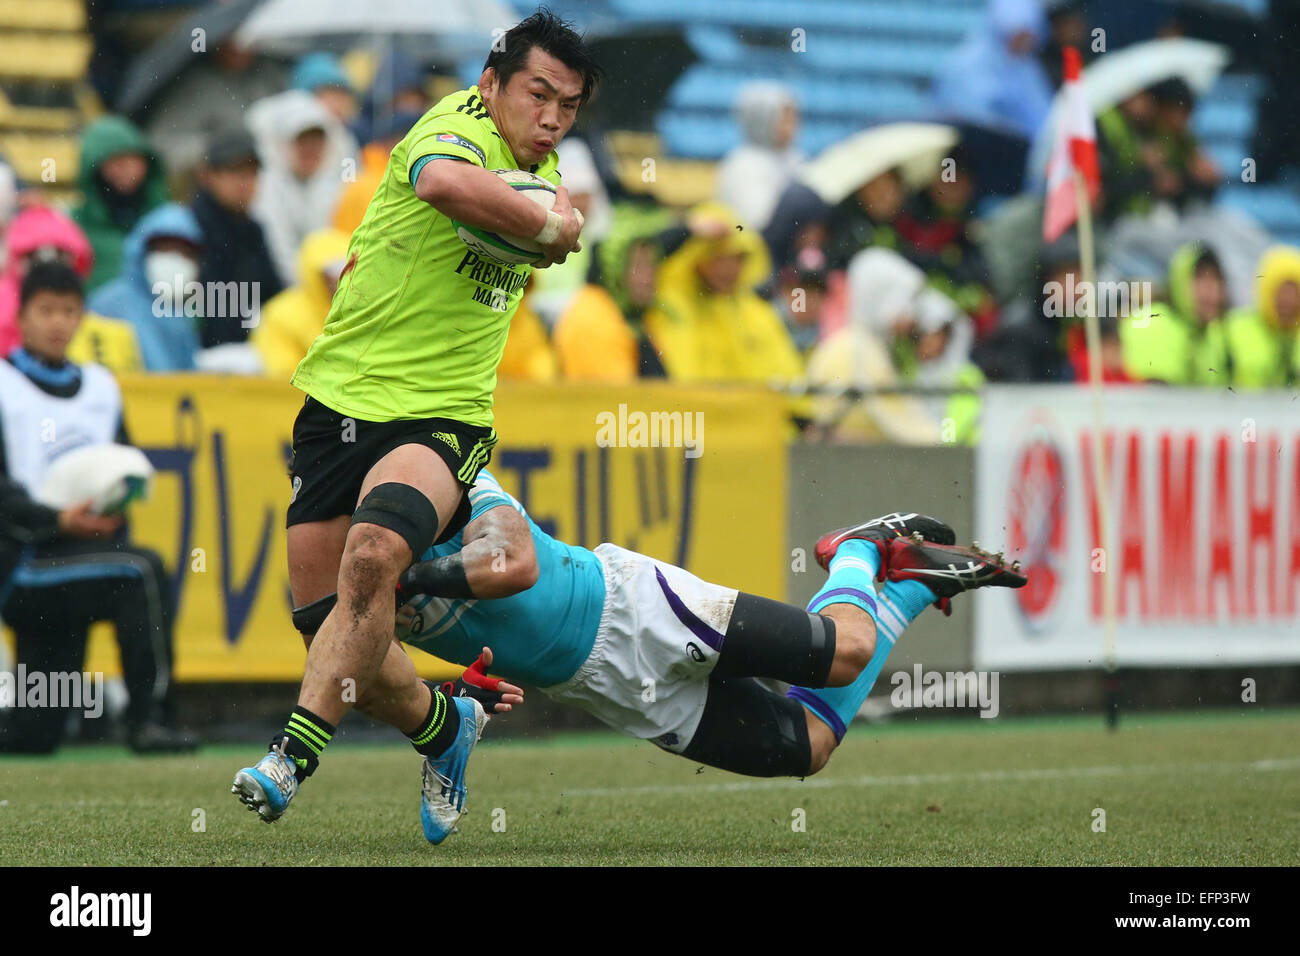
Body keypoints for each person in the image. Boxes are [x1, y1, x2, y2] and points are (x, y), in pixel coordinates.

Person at [230, 9, 599, 833]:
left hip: (443, 415)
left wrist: (555, 218)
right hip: (339, 400)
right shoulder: (453, 127)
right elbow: (441, 184)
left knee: (373, 559)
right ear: (491, 85)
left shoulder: (544, 161)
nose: (551, 118)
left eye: (568, 107)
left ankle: (290, 757)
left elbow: (567, 214)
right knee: (329, 631)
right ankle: (447, 724)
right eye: (538, 95)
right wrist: (546, 226)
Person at [282, 470, 1024, 841]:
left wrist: (404, 574)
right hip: (603, 685)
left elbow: (511, 562)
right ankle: (910, 587)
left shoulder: (445, 474)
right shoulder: (340, 566)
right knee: (808, 745)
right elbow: (356, 663)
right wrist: (444, 712)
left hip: (632, 608)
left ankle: (859, 552)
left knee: (845, 652)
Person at [0, 262, 194, 754]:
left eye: (68, 310)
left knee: (31, 738)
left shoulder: (102, 389)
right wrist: (57, 520)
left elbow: (124, 467)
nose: (57, 322)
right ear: (21, 317)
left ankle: (145, 717)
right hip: (24, 567)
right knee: (143, 570)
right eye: (45, 310)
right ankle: (150, 720)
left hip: (88, 558)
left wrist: (113, 507)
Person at [644, 201, 804, 386]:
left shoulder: (757, 314)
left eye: (738, 259)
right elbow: (641, 254)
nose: (730, 269)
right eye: (719, 258)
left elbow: (789, 378)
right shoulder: (669, 306)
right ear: (694, 257)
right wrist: (687, 231)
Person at [247, 90, 355, 288]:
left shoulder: (340, 181)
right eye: (302, 140)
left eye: (317, 139)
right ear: (282, 144)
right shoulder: (267, 188)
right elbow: (280, 253)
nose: (311, 148)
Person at [190, 128, 284, 347]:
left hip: (254, 354)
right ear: (208, 176)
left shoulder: (254, 230)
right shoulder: (190, 230)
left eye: (252, 172)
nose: (245, 182)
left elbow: (273, 297)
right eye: (234, 172)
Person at [87, 203, 204, 372]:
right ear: (141, 251)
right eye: (165, 250)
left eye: (183, 253)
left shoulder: (181, 314)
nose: (173, 260)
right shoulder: (107, 305)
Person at [72, 116, 169, 292]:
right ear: (94, 169)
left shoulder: (168, 222)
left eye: (135, 160)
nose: (128, 170)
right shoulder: (74, 226)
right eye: (117, 162)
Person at [1120, 243, 1230, 385]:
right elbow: (1157, 402)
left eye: (1216, 279)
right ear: (1179, 282)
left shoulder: (1216, 336)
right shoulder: (1152, 324)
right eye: (1199, 278)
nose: (1210, 289)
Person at [249, 228, 351, 382]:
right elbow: (282, 375)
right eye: (333, 270)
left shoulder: (365, 311)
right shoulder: (282, 314)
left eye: (347, 269)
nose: (340, 278)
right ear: (313, 273)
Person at [715, 81, 804, 232]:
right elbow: (757, 222)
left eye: (793, 117)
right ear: (762, 119)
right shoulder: (744, 164)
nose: (793, 125)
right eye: (785, 118)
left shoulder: (795, 158)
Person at [1223, 246, 1300, 388]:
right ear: (1267, 292)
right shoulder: (1234, 329)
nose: (1289, 301)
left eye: (1295, 293)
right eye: (1282, 292)